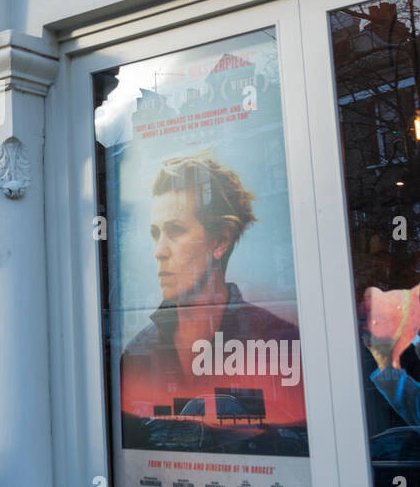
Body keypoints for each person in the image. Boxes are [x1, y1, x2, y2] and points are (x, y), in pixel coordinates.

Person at [119, 155, 301, 449]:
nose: (159, 251)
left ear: (220, 242)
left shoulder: (277, 341)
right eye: (155, 233)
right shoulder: (137, 352)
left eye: (175, 231)